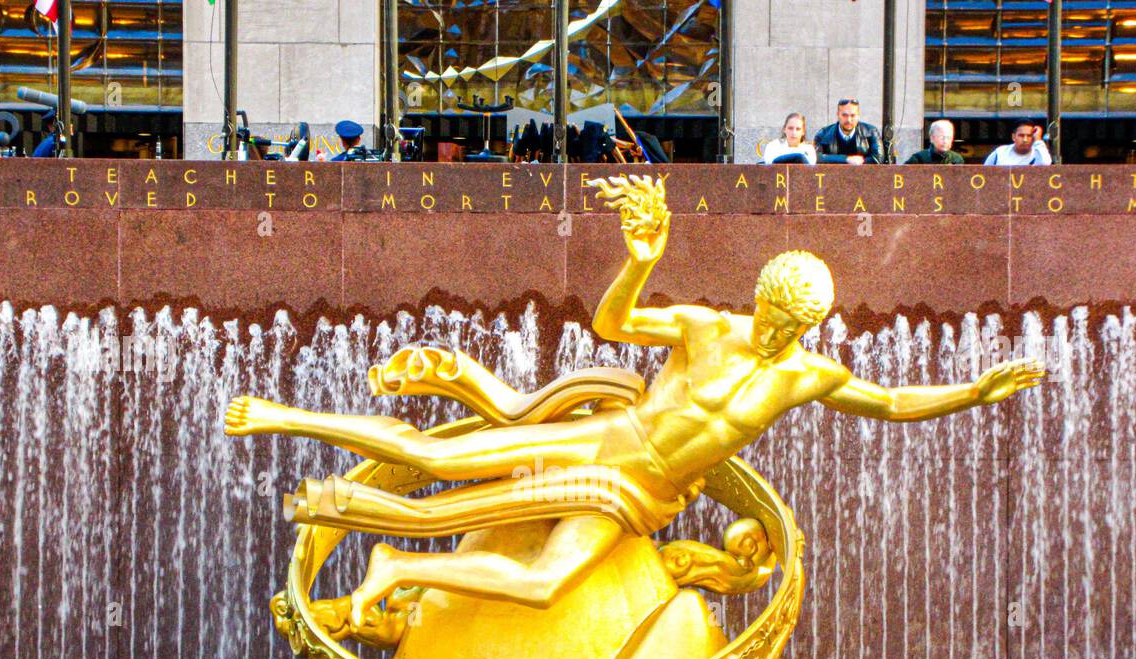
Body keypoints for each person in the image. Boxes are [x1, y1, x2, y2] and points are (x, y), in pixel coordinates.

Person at [224, 175, 1042, 619]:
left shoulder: (808, 375)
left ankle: (398, 561)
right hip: (608, 443)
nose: (769, 324)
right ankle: (284, 418)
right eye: (766, 308)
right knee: (440, 454)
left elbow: (892, 405)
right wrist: (642, 259)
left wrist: (974, 391)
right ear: (758, 297)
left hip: (641, 500)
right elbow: (613, 323)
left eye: (786, 319)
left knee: (547, 586)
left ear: (806, 323)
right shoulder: (704, 326)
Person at [812, 99, 883, 165]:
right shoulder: (823, 134)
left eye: (853, 115)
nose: (849, 120)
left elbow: (878, 158)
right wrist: (846, 159)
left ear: (858, 115)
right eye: (844, 115)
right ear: (838, 115)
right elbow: (815, 157)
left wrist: (861, 161)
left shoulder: (871, 132)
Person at [983, 120, 1050, 166]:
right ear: (1013, 137)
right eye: (1021, 135)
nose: (1025, 140)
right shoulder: (1000, 153)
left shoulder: (1038, 153)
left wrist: (1038, 139)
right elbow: (984, 172)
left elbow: (1045, 164)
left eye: (1029, 136)